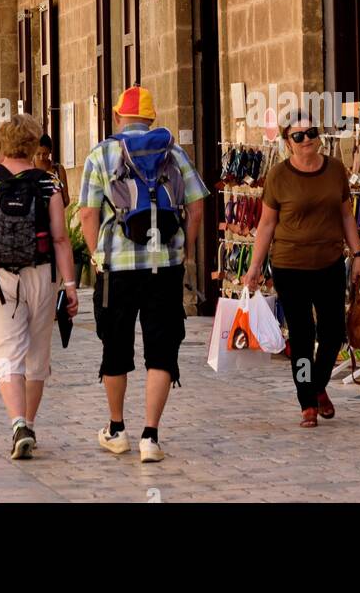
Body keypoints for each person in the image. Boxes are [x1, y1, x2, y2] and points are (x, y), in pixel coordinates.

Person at [78, 86, 208, 464]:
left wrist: (96, 254)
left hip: (117, 268)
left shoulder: (102, 153)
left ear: (118, 117)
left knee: (115, 345)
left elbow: (87, 213)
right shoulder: (173, 151)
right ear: (151, 119)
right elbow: (196, 206)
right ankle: (150, 436)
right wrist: (185, 249)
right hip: (164, 266)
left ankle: (116, 429)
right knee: (162, 348)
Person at [243, 108, 360, 427]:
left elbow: (346, 216)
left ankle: (316, 385)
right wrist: (255, 267)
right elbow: (267, 224)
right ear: (288, 142)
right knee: (301, 334)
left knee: (333, 334)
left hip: (329, 264)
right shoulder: (279, 176)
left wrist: (358, 255)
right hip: (289, 266)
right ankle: (307, 402)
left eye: (311, 133)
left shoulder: (336, 170)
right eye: (299, 136)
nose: (307, 140)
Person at [0, 113, 77, 459]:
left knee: (7, 352)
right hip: (40, 273)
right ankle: (29, 421)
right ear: (32, 145)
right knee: (37, 355)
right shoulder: (48, 184)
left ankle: (17, 424)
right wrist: (69, 285)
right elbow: (60, 237)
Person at [33, 134, 70, 209]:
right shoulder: (29, 169)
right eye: (38, 154)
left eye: (45, 154)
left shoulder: (58, 169)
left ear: (50, 152)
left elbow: (66, 199)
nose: (41, 158)